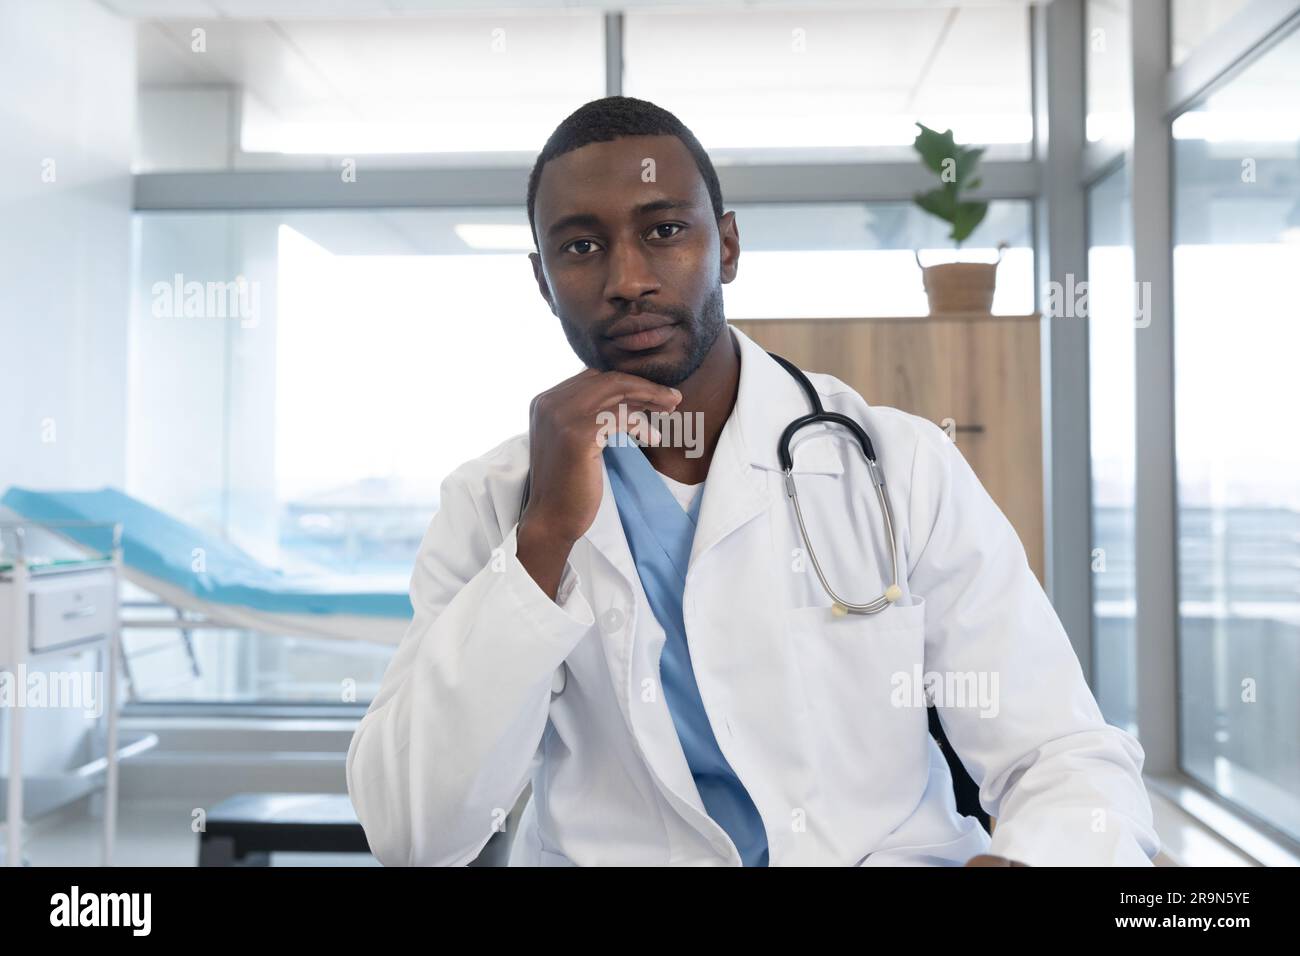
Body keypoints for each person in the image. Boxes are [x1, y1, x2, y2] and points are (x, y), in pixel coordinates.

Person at [346, 96, 1159, 867]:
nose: (628, 277)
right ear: (542, 278)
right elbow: (416, 832)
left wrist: (1038, 856)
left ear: (726, 245)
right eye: (581, 246)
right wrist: (544, 539)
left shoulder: (899, 465)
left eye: (664, 230)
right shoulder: (495, 503)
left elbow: (1058, 749)